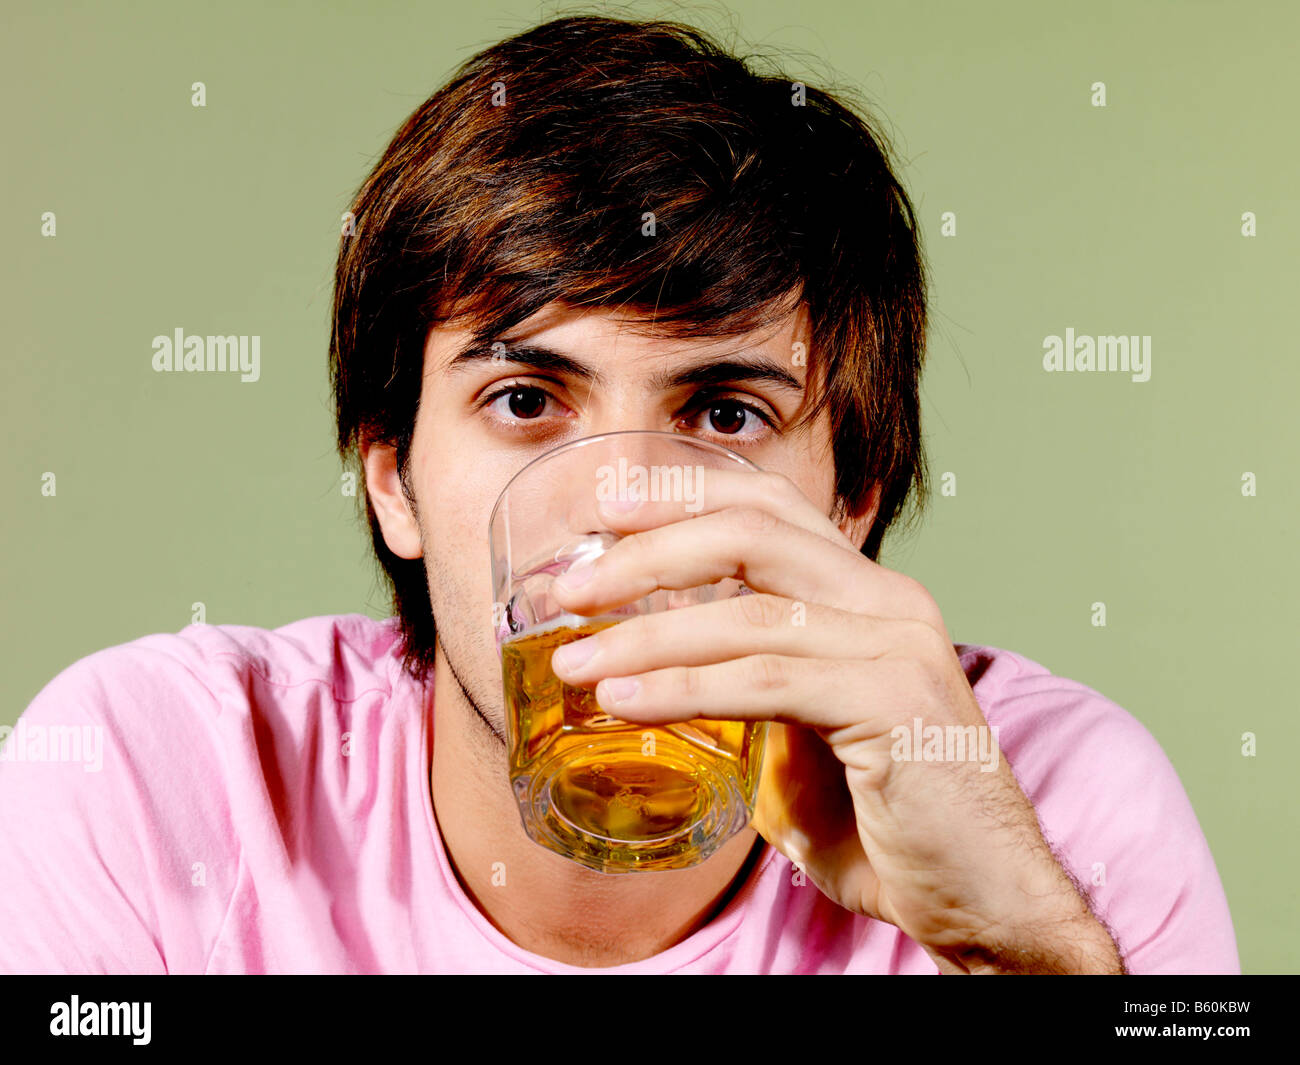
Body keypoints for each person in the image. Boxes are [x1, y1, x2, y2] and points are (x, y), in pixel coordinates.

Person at [0, 15, 1237, 974]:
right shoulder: (150, 779)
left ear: (850, 499)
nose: (624, 511)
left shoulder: (1052, 797)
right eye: (528, 401)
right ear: (393, 479)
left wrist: (1018, 942)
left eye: (721, 414)